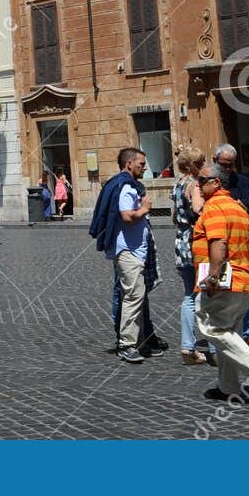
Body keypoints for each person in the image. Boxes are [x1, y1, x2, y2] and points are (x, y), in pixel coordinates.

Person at [192, 163, 249, 403]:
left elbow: (218, 243)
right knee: (230, 334)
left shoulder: (214, 207)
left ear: (216, 183)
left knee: (211, 327)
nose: (198, 184)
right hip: (244, 279)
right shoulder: (239, 209)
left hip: (224, 282)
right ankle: (227, 387)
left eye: (202, 180)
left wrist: (214, 276)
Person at [101, 148, 153, 364]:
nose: (145, 167)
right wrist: (145, 209)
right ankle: (127, 344)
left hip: (133, 250)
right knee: (133, 296)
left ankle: (139, 341)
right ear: (129, 164)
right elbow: (127, 217)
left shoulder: (127, 184)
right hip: (128, 251)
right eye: (141, 163)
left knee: (134, 295)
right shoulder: (126, 188)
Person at [213, 145, 249, 350]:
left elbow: (248, 203)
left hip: (240, 240)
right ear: (215, 160)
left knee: (245, 286)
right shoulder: (210, 181)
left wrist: (240, 205)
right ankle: (224, 334)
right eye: (223, 165)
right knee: (220, 289)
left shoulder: (242, 180)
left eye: (230, 165)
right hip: (219, 240)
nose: (227, 169)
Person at [171, 146, 209, 367]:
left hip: (181, 242)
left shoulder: (177, 184)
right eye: (202, 161)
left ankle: (187, 345)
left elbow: (174, 216)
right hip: (197, 244)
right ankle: (213, 347)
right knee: (204, 295)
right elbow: (199, 210)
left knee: (188, 295)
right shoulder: (194, 184)